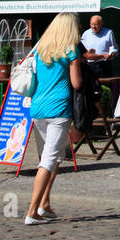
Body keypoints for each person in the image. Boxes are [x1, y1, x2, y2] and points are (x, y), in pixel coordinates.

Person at [25, 12, 84, 225]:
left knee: (56, 155)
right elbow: (76, 83)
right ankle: (32, 211)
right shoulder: (70, 49)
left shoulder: (41, 49)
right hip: (59, 108)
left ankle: (45, 204)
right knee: (48, 159)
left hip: (38, 107)